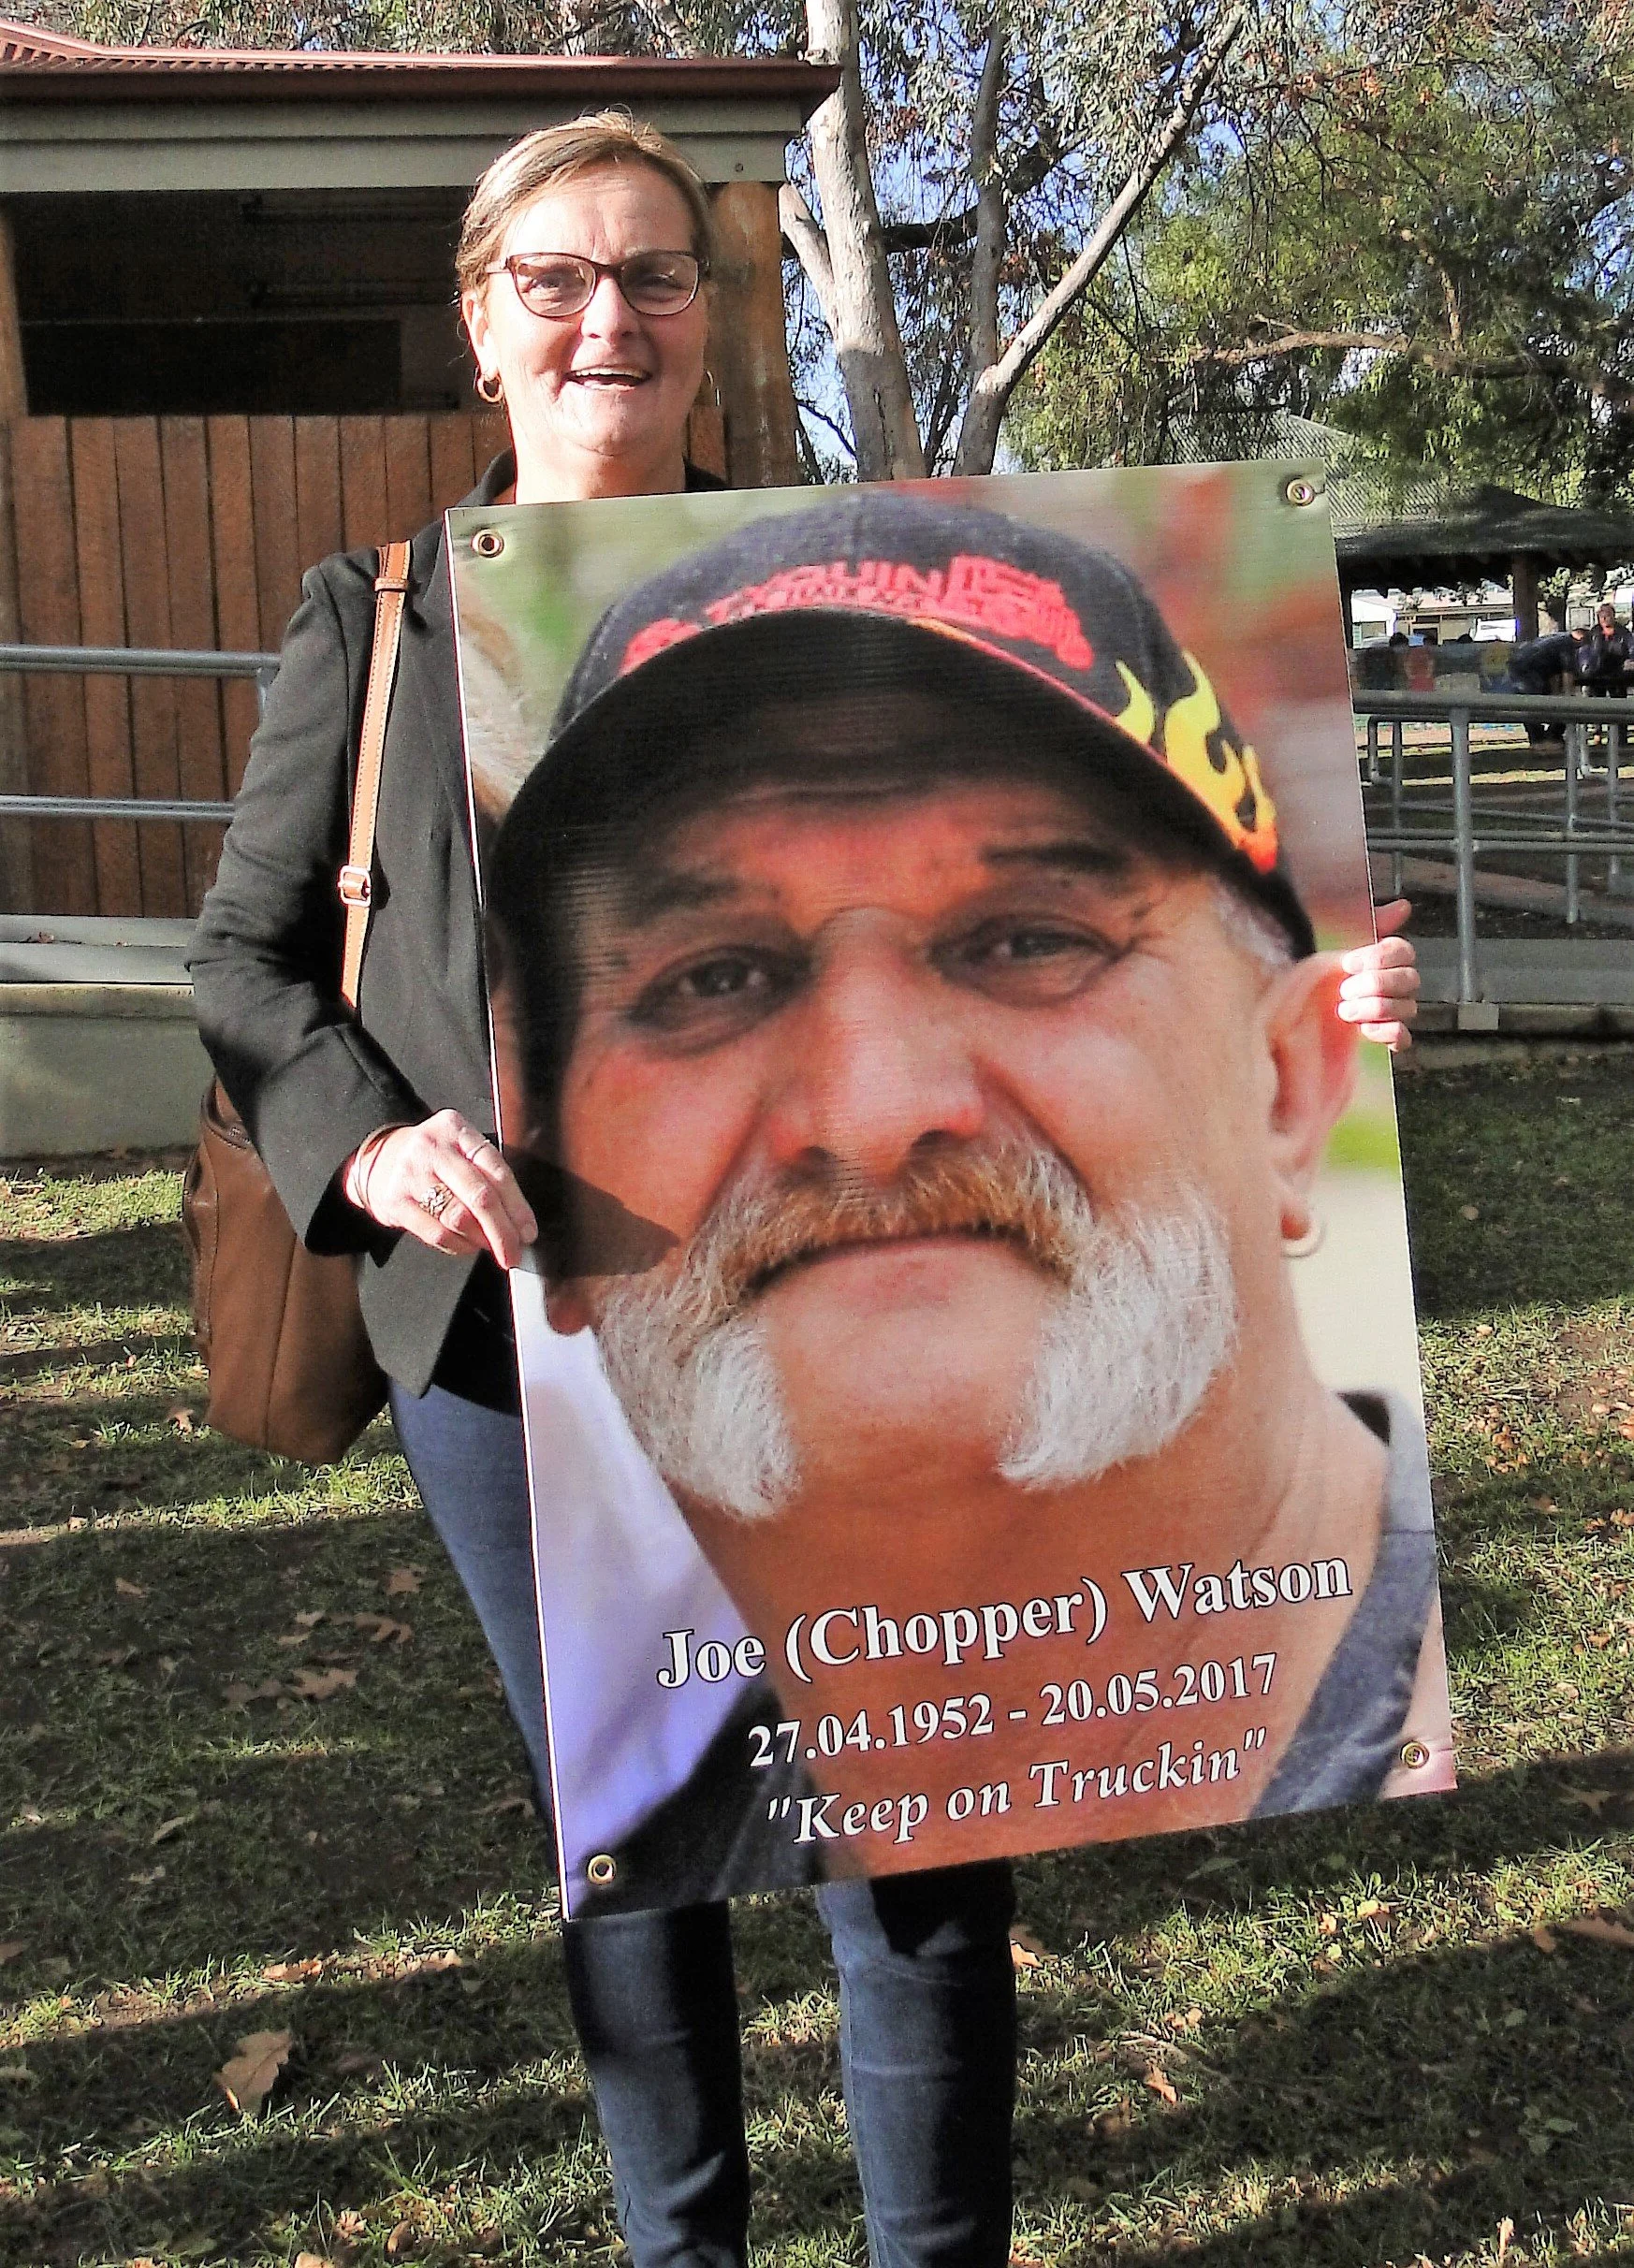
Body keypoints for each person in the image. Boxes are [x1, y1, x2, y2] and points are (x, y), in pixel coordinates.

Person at [189, 114, 1422, 2268]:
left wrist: (1318, 983)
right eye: (555, 278)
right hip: (513, 1330)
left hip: (869, 1298)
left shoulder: (857, 569)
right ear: (483, 328)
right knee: (637, 1842)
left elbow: (1154, 916)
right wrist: (366, 1139)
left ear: (711, 318)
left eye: (655, 273)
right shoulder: (377, 620)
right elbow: (241, 959)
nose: (609, 317)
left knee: (919, 1837)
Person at [483, 493, 1450, 1907]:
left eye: (1024, 940)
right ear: (550, 1187)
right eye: (710, 977)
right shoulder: (669, 1864)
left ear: (1289, 1090)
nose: (872, 1117)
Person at [1505, 623, 1586, 747]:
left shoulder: (1556, 638)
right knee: (1534, 707)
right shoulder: (1568, 644)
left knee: (1528, 706)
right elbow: (1567, 673)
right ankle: (1545, 740)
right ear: (1581, 639)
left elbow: (1554, 671)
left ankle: (1542, 739)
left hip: (1516, 666)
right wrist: (1569, 698)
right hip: (1529, 672)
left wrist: (1557, 694)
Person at [1579, 602, 1634, 700]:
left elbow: (1632, 648)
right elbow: (1585, 649)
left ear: (1613, 616)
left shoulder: (1623, 632)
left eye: (1607, 615)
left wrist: (1630, 661)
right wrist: (1585, 665)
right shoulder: (1594, 632)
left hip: (1617, 672)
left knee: (1618, 699)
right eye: (1601, 616)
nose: (1604, 619)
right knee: (1596, 700)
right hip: (1597, 672)